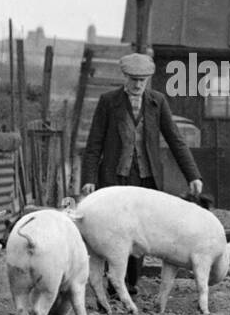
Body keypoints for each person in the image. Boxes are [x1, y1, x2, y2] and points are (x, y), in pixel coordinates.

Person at [80, 51, 204, 296]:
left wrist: (193, 175)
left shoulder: (157, 102)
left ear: (148, 79)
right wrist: (89, 179)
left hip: (146, 178)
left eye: (142, 80)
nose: (138, 85)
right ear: (125, 76)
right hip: (115, 176)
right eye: (133, 79)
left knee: (141, 229)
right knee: (113, 228)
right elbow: (94, 143)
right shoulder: (108, 102)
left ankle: (132, 282)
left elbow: (175, 140)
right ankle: (112, 281)